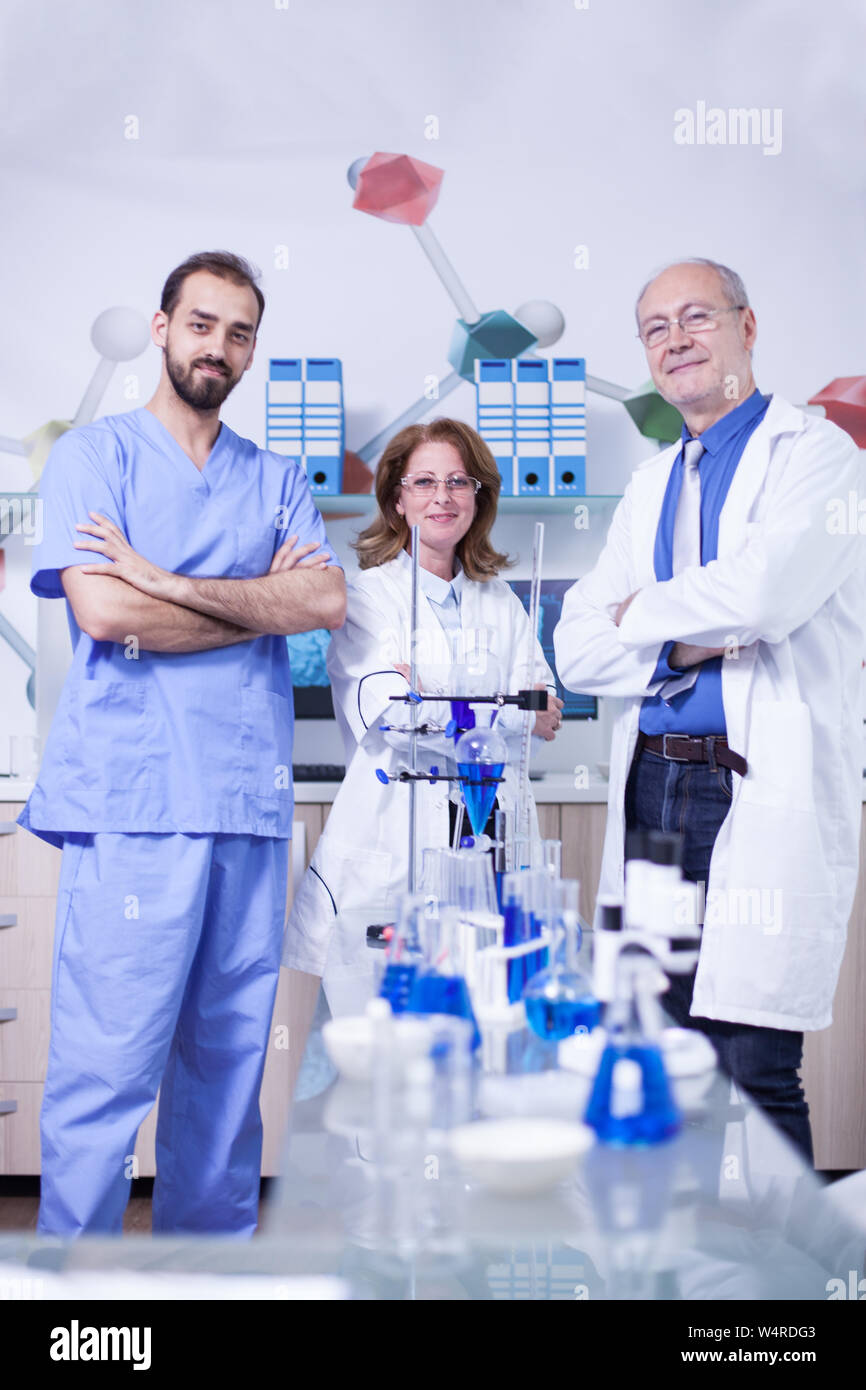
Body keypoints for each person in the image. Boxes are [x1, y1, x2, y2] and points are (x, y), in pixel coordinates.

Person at [19, 250, 346, 1235]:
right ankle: (65, 1294)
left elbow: (323, 598)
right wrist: (259, 607)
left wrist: (163, 579)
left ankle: (212, 1280)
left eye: (239, 331)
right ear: (162, 328)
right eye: (201, 323)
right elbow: (108, 611)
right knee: (105, 1068)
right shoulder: (92, 457)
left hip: (244, 806)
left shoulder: (275, 476)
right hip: (135, 803)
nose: (219, 346)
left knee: (225, 1075)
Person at [554, 258, 864, 1164]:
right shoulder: (651, 484)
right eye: (656, 328)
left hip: (747, 788)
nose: (676, 339)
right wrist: (700, 627)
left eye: (697, 317)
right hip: (654, 794)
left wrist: (640, 621)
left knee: (751, 1061)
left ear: (747, 327)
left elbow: (766, 596)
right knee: (653, 1051)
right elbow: (576, 649)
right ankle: (677, 1273)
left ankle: (774, 1300)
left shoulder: (819, 457)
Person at [284, 418, 563, 1017]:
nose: (443, 496)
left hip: (493, 856)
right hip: (390, 869)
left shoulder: (504, 600)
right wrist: (497, 707)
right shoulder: (365, 599)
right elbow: (390, 714)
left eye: (460, 481)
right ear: (397, 499)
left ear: (478, 497)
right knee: (388, 1078)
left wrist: (432, 698)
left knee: (485, 1057)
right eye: (426, 482)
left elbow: (543, 713)